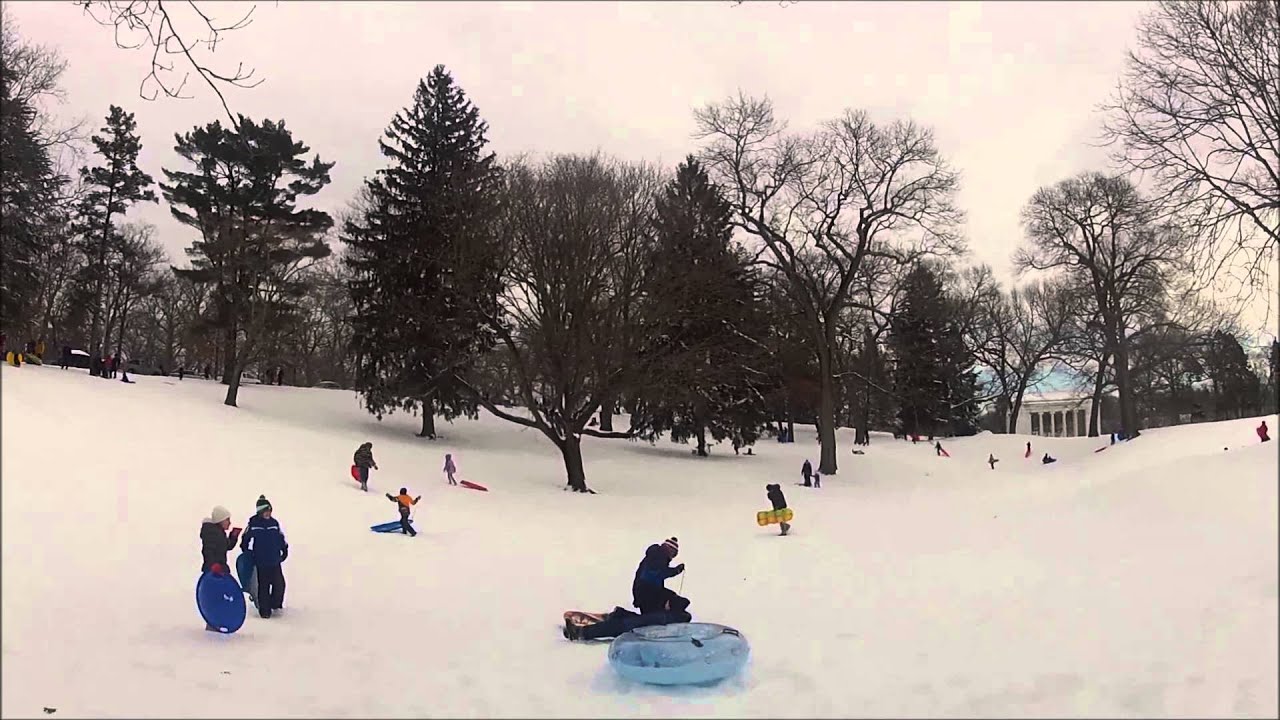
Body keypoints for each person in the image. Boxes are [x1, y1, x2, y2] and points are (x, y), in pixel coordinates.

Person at [241, 495, 288, 618]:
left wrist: (284, 549)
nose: (268, 513)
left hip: (274, 560)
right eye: (265, 511)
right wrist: (247, 552)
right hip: (261, 562)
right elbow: (245, 538)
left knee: (279, 585)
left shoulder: (274, 523)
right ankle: (265, 610)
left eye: (269, 511)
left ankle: (275, 605)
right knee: (263, 587)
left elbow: (280, 537)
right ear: (260, 512)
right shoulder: (253, 524)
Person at [565, 599, 693, 642]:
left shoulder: (664, 617)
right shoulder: (673, 617)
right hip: (636, 626)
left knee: (610, 627)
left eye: (669, 603)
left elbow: (643, 622)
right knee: (618, 620)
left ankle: (578, 633)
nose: (666, 604)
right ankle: (613, 616)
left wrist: (624, 621)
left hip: (632, 629)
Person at [200, 505, 243, 631]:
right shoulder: (211, 534)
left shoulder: (219, 533)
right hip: (213, 572)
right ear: (220, 520)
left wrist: (233, 537)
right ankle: (212, 623)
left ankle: (218, 622)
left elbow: (226, 546)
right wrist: (213, 565)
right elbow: (207, 551)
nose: (229, 522)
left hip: (220, 570)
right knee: (214, 598)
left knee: (220, 597)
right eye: (227, 520)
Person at [632, 537, 687, 615]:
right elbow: (658, 573)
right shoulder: (658, 555)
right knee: (674, 600)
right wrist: (676, 570)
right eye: (673, 553)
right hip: (647, 591)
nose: (672, 556)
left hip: (645, 591)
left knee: (651, 613)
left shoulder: (656, 556)